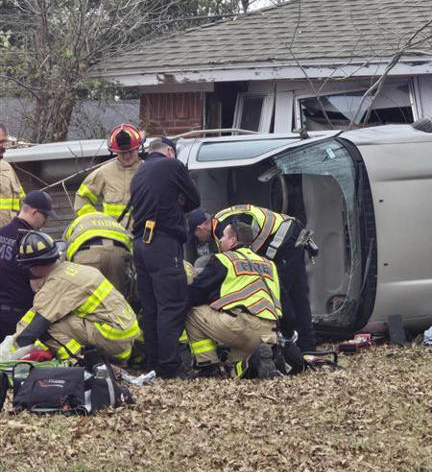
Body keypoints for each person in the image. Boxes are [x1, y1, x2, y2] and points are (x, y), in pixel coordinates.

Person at [12, 230, 139, 364]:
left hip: (113, 338)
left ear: (34, 267)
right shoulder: (73, 270)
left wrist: (9, 355)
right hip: (125, 335)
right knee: (59, 318)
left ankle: (78, 363)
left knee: (47, 328)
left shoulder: (56, 285)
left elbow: (32, 330)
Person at [130, 137, 200, 379]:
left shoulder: (138, 174)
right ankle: (169, 367)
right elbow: (195, 199)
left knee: (150, 308)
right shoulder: (172, 165)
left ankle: (153, 363)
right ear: (170, 151)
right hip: (163, 243)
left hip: (140, 244)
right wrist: (179, 201)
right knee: (171, 305)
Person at [212, 204, 317, 352]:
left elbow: (241, 249)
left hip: (283, 236)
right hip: (290, 230)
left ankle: (282, 339)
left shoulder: (223, 226)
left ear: (201, 227)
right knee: (298, 292)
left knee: (273, 286)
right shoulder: (222, 218)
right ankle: (307, 345)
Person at [186, 222, 280, 378]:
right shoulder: (269, 264)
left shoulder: (224, 259)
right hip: (269, 332)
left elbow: (196, 293)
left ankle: (208, 366)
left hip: (241, 326)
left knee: (192, 312)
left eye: (223, 236)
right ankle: (256, 360)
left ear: (233, 241)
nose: (220, 240)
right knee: (233, 368)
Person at [0, 191, 55, 338]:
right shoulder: (30, 241)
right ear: (35, 212)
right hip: (17, 318)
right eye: (45, 216)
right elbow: (36, 287)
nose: (46, 222)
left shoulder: (1, 232)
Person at [74, 123, 143, 226]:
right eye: (122, 153)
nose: (127, 156)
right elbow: (82, 198)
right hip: (113, 237)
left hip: (141, 236)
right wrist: (95, 223)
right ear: (115, 152)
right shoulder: (104, 172)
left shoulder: (148, 171)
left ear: (138, 148)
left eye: (131, 151)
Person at [63, 212, 133, 301]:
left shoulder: (75, 224)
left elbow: (64, 255)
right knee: (116, 299)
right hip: (118, 254)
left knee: (87, 299)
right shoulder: (111, 221)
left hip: (86, 255)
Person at [0, 122, 25, 229]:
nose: (3, 147)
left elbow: (22, 201)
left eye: (4, 142)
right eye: (0, 142)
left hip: (9, 238)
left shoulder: (7, 168)